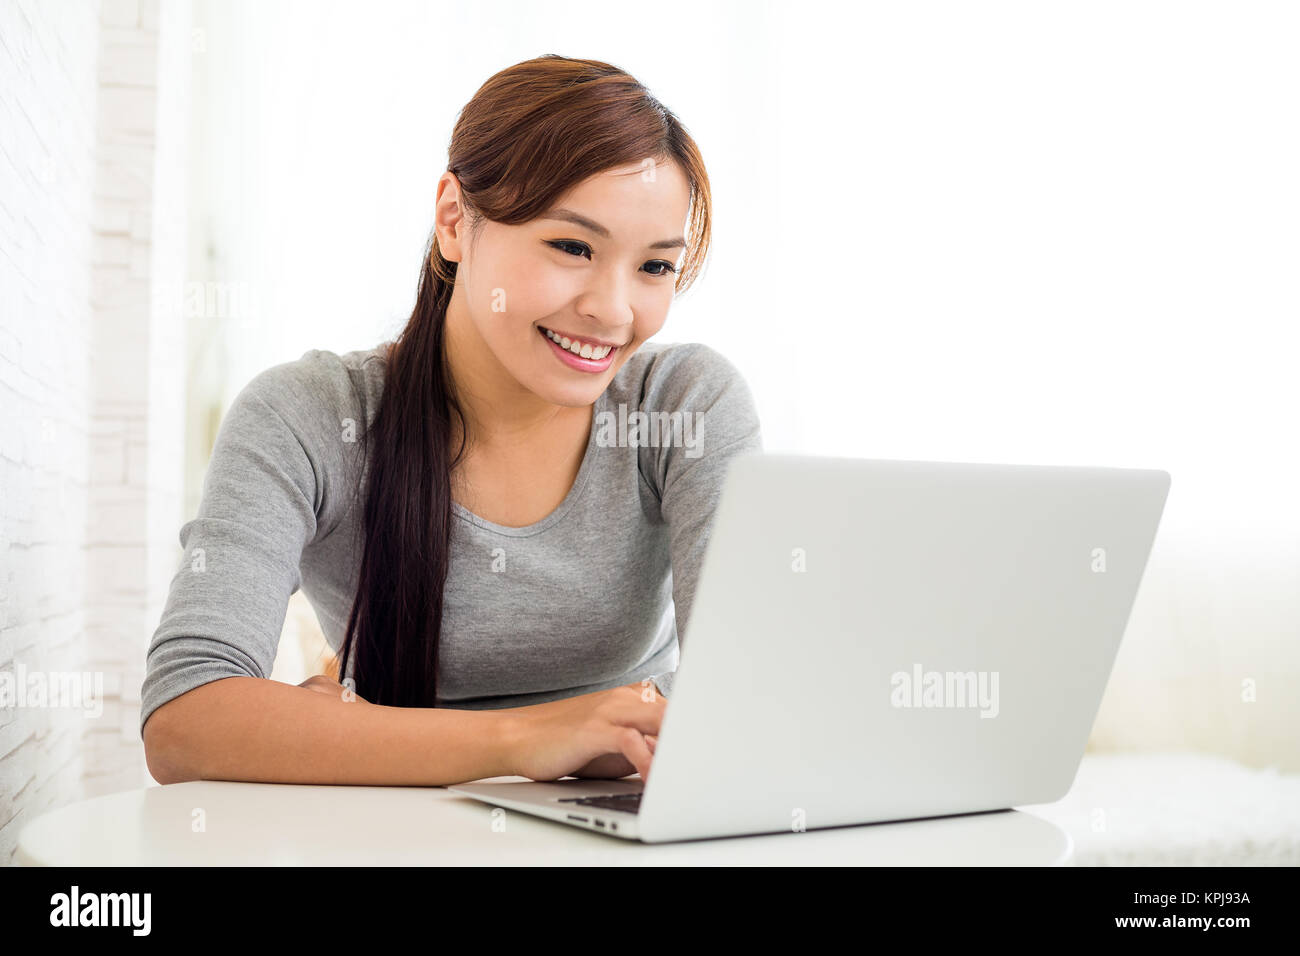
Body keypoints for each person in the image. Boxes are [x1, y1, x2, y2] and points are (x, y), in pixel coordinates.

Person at [140, 54, 762, 787]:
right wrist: (528, 739)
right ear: (454, 221)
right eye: (571, 246)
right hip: (394, 828)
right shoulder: (308, 417)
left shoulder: (684, 404)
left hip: (625, 820)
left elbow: (744, 701)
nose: (614, 309)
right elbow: (185, 718)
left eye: (655, 268)